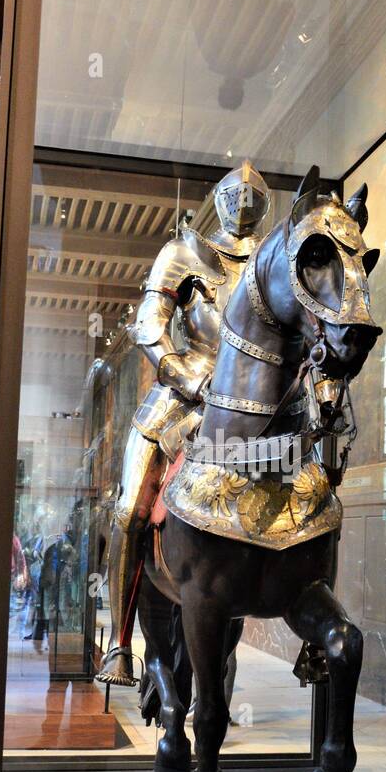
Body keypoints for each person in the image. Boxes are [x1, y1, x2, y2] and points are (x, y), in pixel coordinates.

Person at [97, 160, 271, 686]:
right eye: (233, 195)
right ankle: (120, 643)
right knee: (130, 509)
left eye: (253, 197)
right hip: (181, 397)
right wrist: (183, 373)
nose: (243, 202)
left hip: (250, 406)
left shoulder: (270, 261)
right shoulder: (184, 253)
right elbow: (149, 325)